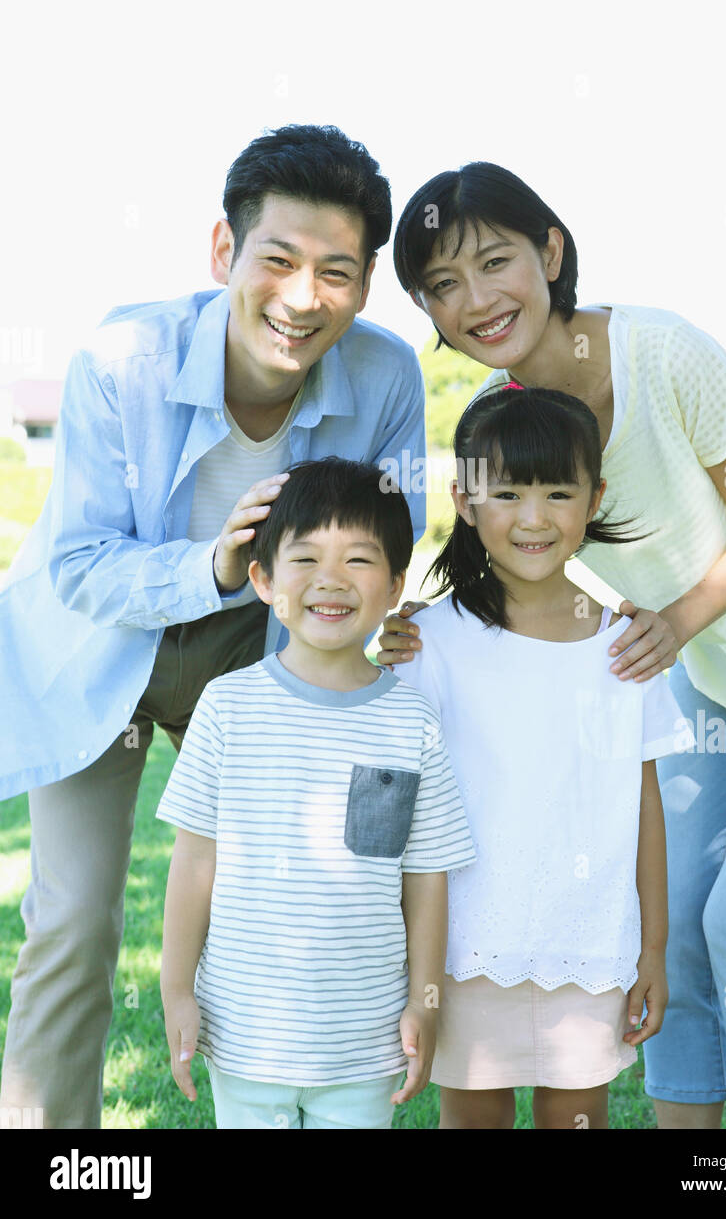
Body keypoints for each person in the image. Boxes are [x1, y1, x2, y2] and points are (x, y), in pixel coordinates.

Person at [380, 159, 726, 1130]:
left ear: (549, 252)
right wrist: (408, 628)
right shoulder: (524, 418)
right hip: (712, 668)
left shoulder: (660, 353)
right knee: (675, 923)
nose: (473, 299)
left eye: (492, 262)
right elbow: (503, 549)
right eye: (441, 284)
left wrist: (673, 625)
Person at [0, 125, 427, 1130]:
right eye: (276, 258)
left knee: (298, 892)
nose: (300, 294)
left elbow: (387, 544)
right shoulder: (119, 357)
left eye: (334, 270)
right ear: (221, 253)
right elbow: (78, 565)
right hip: (96, 640)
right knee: (71, 922)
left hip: (261, 646)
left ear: (364, 286)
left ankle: (305, 1100)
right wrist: (214, 562)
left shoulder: (385, 376)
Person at [387, 386, 692, 1129]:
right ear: (464, 501)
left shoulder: (626, 648)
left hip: (587, 944)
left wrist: (653, 948)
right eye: (508, 493)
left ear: (595, 498)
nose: (534, 517)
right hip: (461, 945)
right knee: (473, 1119)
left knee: (578, 1116)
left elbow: (647, 807)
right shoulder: (429, 644)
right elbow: (393, 806)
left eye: (559, 492)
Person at [157, 458, 474, 1129]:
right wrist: (176, 989)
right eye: (305, 558)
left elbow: (425, 878)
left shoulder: (411, 723)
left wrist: (425, 1001)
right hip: (244, 1036)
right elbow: (194, 864)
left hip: (362, 1043)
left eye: (358, 559)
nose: (330, 579)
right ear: (265, 580)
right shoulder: (227, 707)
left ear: (393, 585)